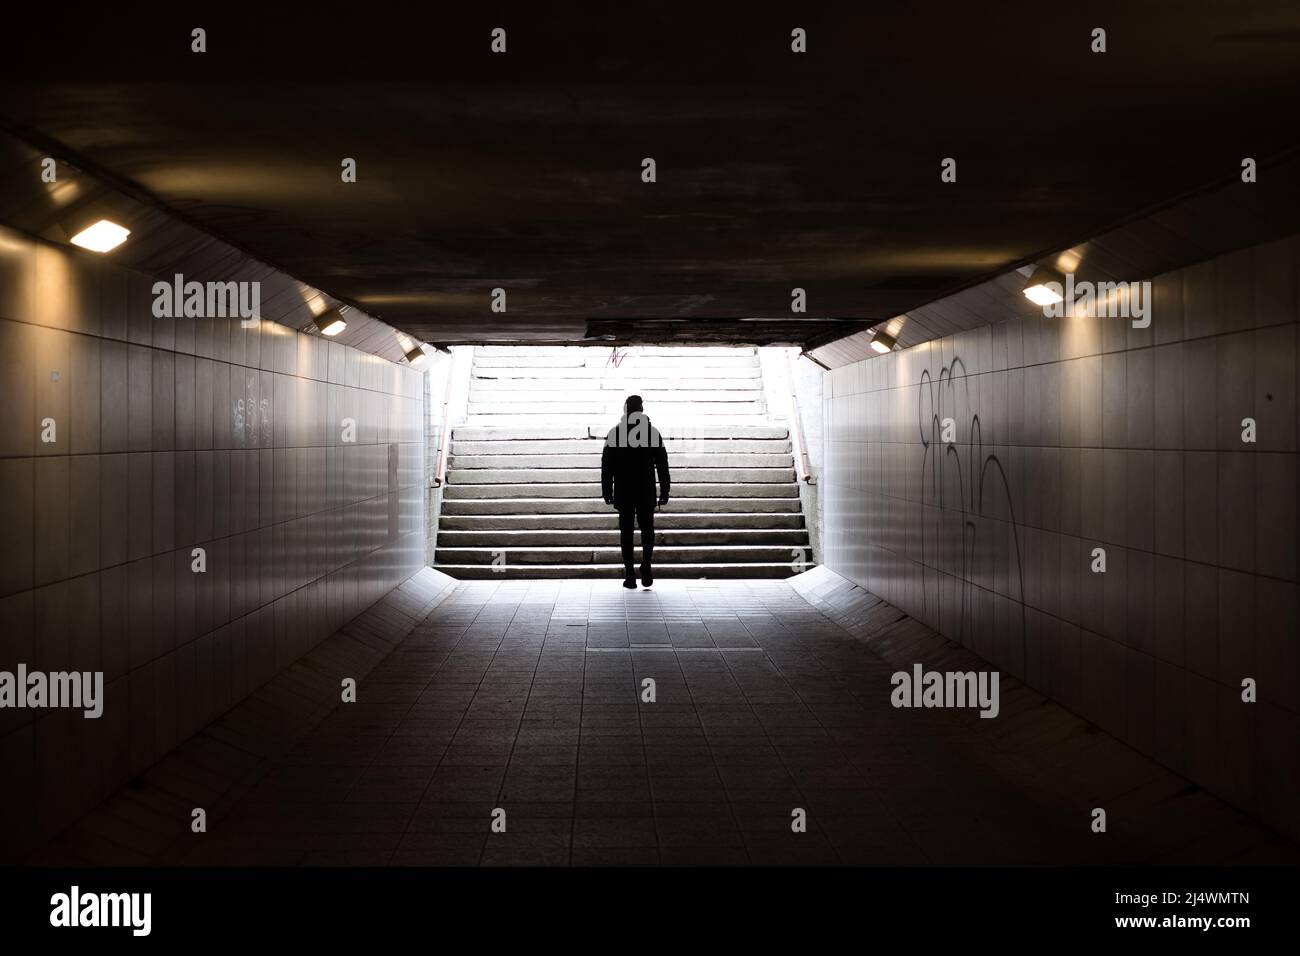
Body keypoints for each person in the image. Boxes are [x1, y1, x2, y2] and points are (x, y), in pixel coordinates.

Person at [601, 395, 671, 588]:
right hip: (645, 491)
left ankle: (630, 574)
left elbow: (607, 465)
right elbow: (662, 465)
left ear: (626, 410)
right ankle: (646, 565)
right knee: (647, 530)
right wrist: (665, 490)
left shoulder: (615, 433)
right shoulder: (652, 433)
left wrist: (607, 491)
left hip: (624, 491)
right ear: (641, 410)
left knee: (626, 532)